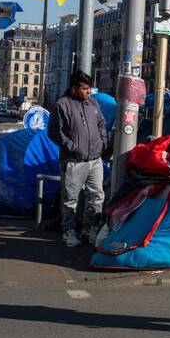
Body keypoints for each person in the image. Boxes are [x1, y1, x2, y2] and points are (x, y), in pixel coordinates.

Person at [48, 70, 110, 247]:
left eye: (89, 88)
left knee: (96, 196)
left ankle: (90, 228)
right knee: (70, 199)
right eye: (84, 89)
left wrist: (103, 142)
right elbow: (54, 132)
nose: (88, 92)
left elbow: (101, 124)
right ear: (74, 88)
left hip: (95, 159)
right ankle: (68, 231)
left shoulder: (93, 103)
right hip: (73, 161)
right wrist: (72, 147)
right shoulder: (61, 105)